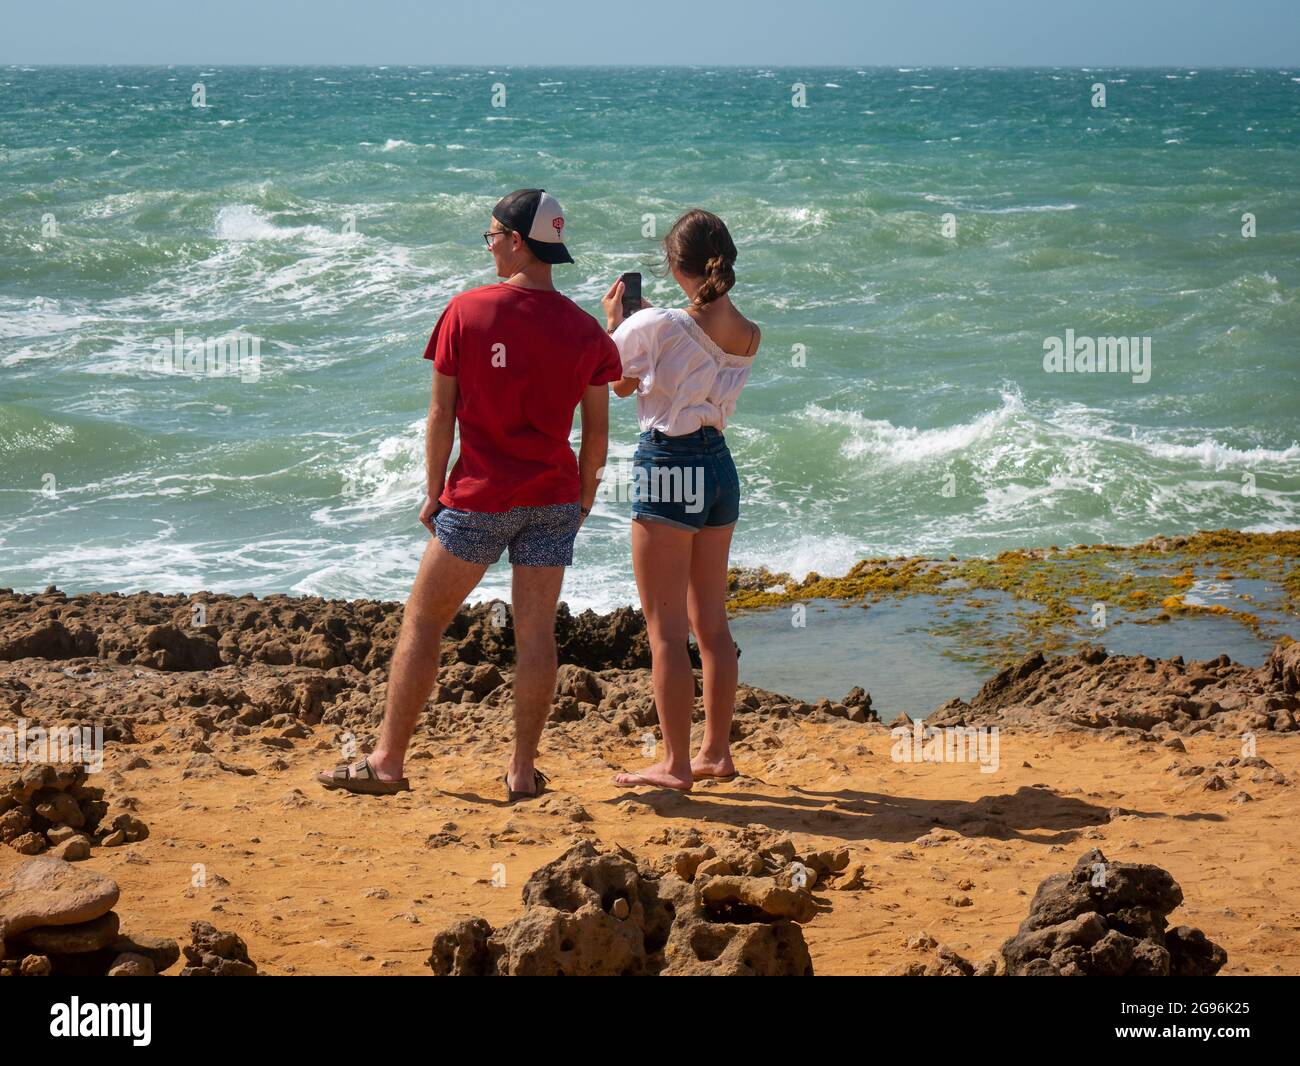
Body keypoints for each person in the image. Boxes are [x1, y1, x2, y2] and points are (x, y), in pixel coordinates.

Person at [318, 189, 621, 802]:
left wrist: (433, 493)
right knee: (536, 633)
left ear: (515, 240)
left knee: (425, 620)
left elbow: (441, 416)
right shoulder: (587, 332)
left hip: (481, 495)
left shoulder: (466, 312)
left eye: (490, 237)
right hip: (553, 497)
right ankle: (520, 772)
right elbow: (596, 439)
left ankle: (388, 763)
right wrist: (581, 502)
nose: (487, 247)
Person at [600, 209, 760, 791]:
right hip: (719, 467)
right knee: (710, 624)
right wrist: (640, 328)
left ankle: (674, 763)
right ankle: (715, 751)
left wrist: (616, 322)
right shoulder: (748, 331)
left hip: (669, 465)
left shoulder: (658, 324)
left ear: (675, 265)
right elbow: (691, 357)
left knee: (664, 630)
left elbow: (613, 380)